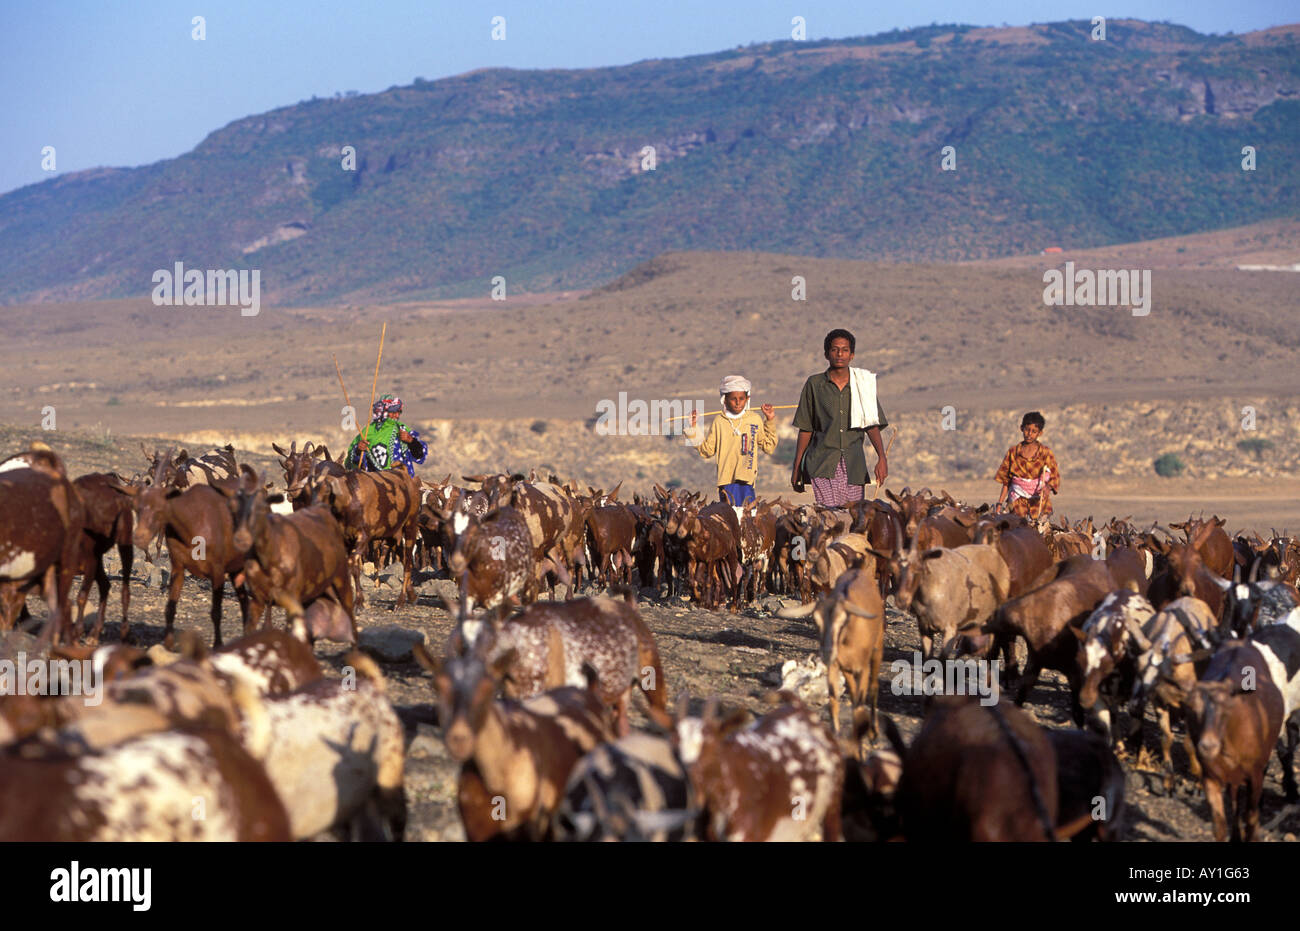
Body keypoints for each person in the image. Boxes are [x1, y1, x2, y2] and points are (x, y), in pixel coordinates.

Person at [790, 329, 888, 507]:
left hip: (854, 465)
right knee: (829, 517)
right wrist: (797, 467)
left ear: (852, 355)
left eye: (844, 350)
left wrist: (881, 458)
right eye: (835, 350)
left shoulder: (862, 384)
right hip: (822, 462)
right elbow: (806, 427)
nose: (839, 354)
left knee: (853, 517)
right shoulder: (815, 384)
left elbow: (871, 424)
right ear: (826, 354)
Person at [686, 375, 778, 507]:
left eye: (741, 399)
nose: (737, 402)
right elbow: (707, 451)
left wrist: (769, 420)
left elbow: (769, 447)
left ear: (747, 399)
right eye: (733, 399)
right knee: (730, 518)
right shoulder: (719, 422)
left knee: (748, 516)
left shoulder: (754, 419)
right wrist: (693, 427)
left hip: (747, 481)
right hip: (726, 481)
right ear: (724, 400)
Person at [994, 411, 1060, 518]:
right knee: (1017, 529)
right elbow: (1006, 481)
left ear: (1040, 433)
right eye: (1027, 430)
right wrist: (999, 504)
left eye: (1034, 431)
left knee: (1040, 531)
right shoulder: (1013, 452)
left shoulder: (1045, 453)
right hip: (1017, 500)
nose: (1029, 434)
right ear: (1021, 428)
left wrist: (1047, 488)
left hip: (1039, 502)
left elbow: (1055, 477)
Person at [345, 394, 428, 476]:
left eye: (398, 412)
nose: (396, 415)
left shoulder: (402, 428)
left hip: (401, 481)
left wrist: (411, 441)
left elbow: (420, 455)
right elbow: (351, 463)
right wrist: (358, 450)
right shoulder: (368, 431)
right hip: (375, 482)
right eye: (392, 412)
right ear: (382, 411)